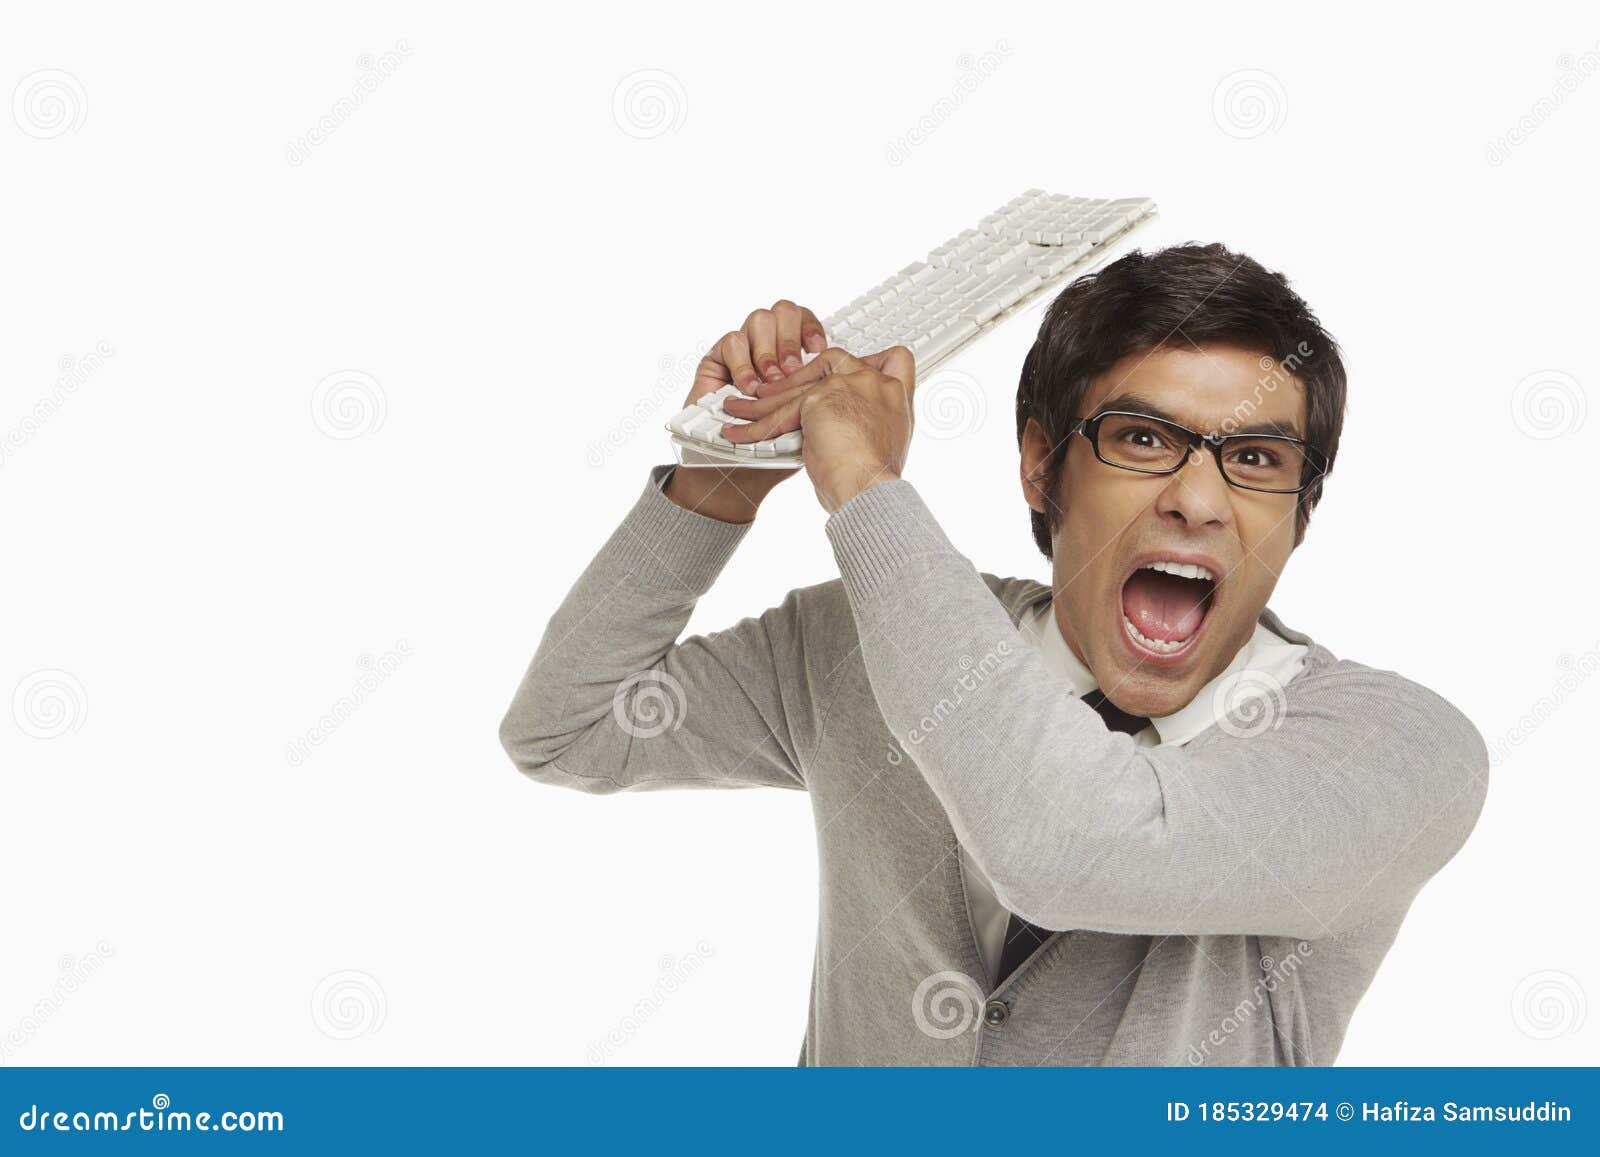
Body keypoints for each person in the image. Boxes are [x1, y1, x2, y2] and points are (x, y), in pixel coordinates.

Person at [498, 244, 1489, 1065]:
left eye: (1256, 458)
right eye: (1142, 437)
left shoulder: (1392, 752)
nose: (1197, 498)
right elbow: (570, 727)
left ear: (1300, 511)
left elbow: (1062, 846)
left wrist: (862, 484)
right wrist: (719, 478)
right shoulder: (867, 637)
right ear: (1037, 461)